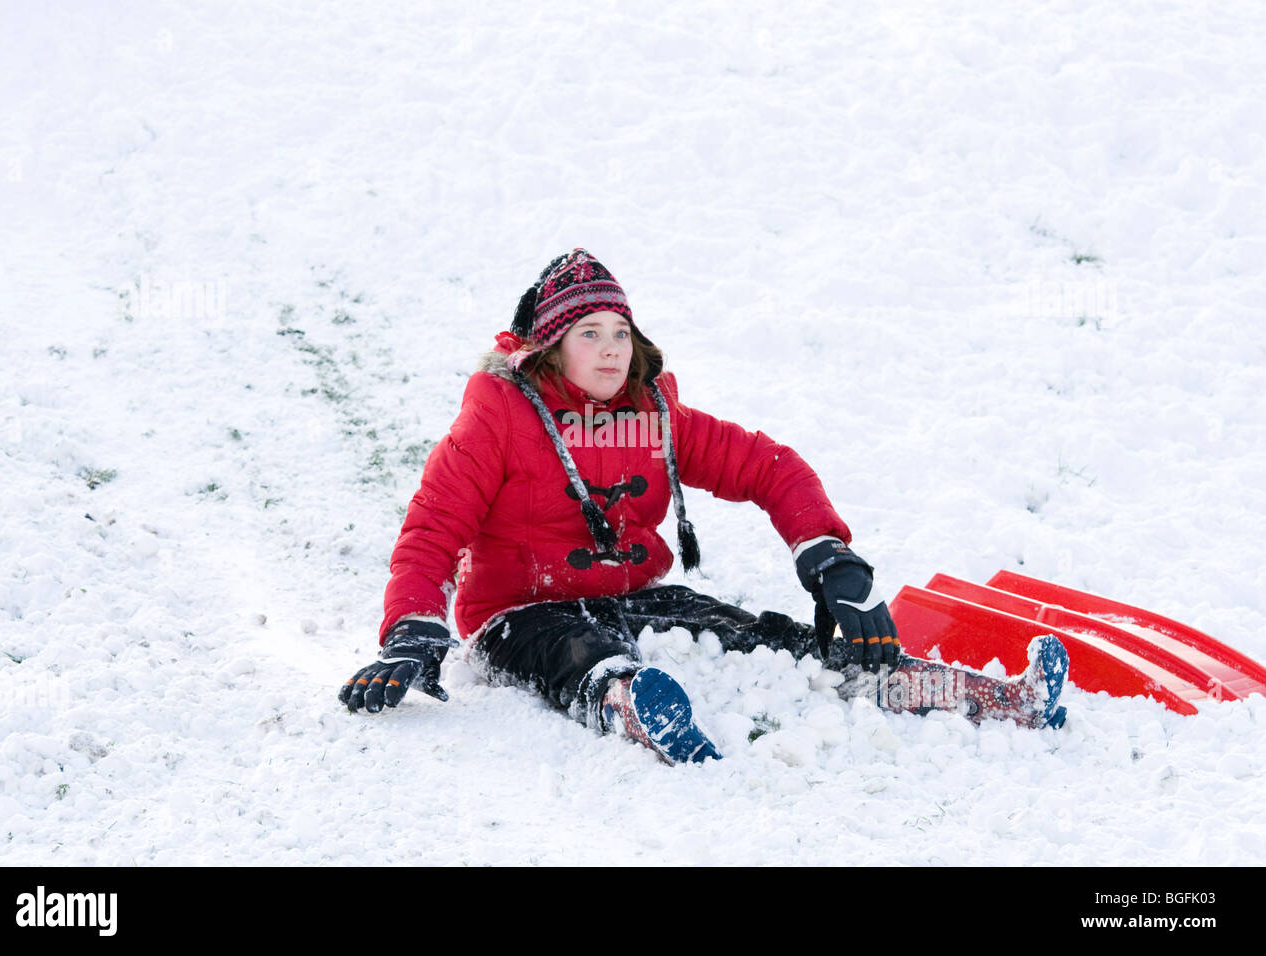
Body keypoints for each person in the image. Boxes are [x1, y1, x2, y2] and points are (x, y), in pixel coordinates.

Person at [339, 249, 1068, 763]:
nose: (609, 349)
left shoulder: (654, 413)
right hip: (517, 615)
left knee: (754, 636)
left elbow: (768, 467)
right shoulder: (497, 416)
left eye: (619, 332)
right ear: (549, 350)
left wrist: (828, 555)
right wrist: (411, 628)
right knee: (576, 654)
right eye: (587, 334)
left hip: (633, 595)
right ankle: (630, 704)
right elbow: (432, 529)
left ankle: (956, 689)